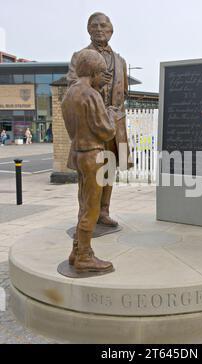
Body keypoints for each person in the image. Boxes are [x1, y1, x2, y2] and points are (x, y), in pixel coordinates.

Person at [67, 12, 133, 228]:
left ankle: (103, 211)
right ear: (88, 29)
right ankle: (86, 215)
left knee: (109, 168)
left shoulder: (121, 60)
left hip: (114, 123)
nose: (99, 29)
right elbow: (73, 89)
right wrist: (96, 85)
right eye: (94, 25)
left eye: (104, 25)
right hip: (90, 126)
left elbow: (123, 93)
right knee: (89, 173)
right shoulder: (79, 56)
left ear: (111, 30)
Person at [62, 49, 123, 273]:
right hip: (92, 155)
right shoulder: (91, 94)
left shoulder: (69, 94)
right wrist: (112, 117)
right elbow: (106, 131)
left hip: (77, 152)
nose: (103, 80)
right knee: (92, 207)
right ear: (95, 72)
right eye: (102, 74)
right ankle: (85, 257)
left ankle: (76, 249)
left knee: (82, 203)